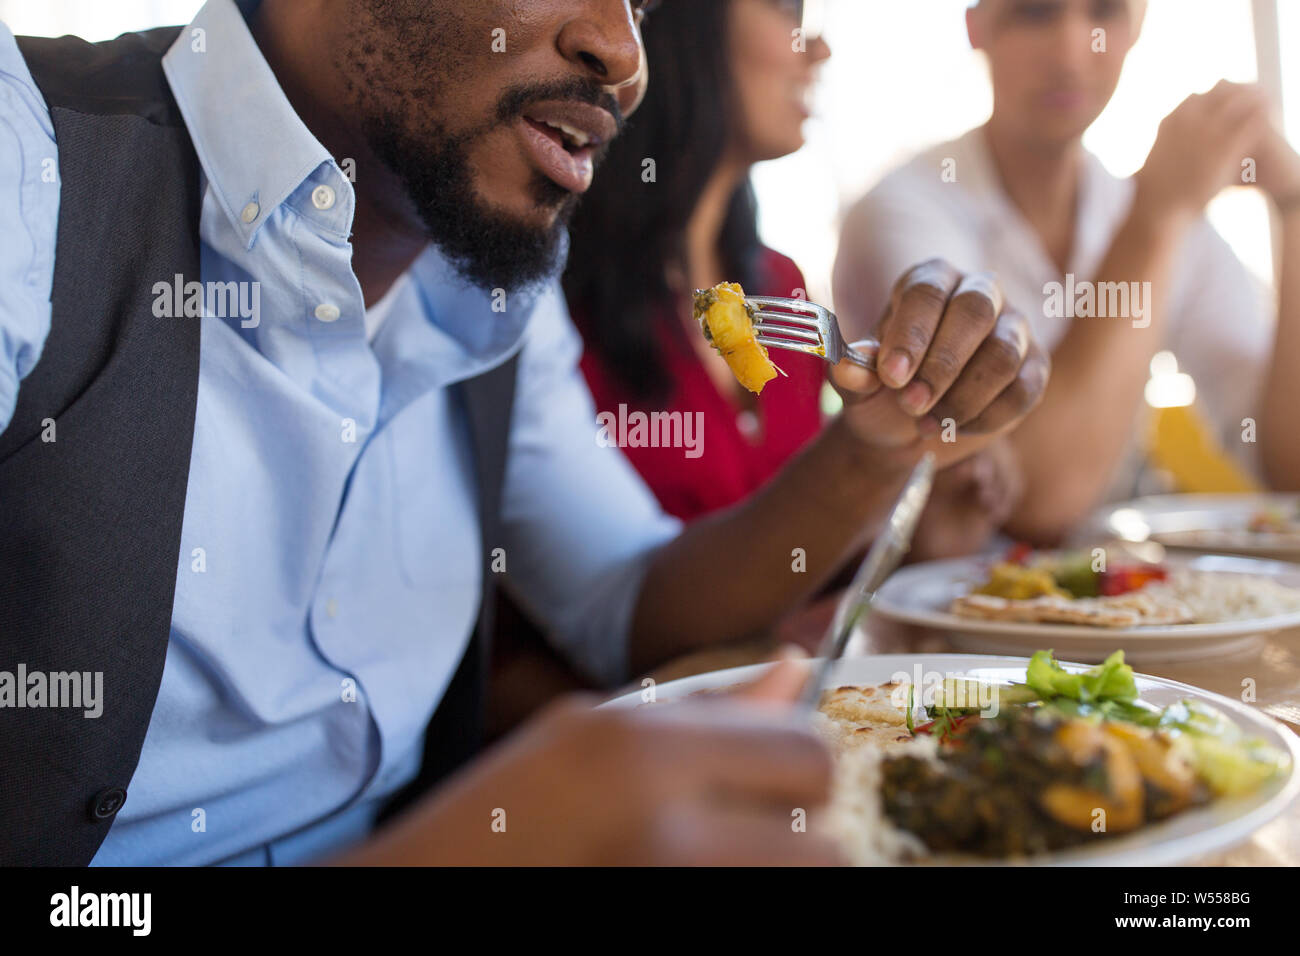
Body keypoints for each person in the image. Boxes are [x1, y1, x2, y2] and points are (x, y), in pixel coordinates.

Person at [0, 0, 1047, 866]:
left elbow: (624, 600)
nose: (624, 54)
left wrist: (871, 447)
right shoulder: (26, 164)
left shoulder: (490, 292)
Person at [566, 0, 1023, 557]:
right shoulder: (554, 287)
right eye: (788, 10)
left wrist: (926, 532)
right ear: (680, 21)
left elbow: (791, 566)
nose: (820, 48)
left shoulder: (781, 284)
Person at [834, 0, 1300, 545]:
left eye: (1104, 13)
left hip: (1126, 606)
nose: (1072, 55)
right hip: (945, 614)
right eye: (1035, 14)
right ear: (976, 26)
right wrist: (1155, 216)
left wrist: (1293, 203)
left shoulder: (1163, 213)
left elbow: (1289, 467)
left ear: (1137, 27)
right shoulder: (906, 209)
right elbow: (1039, 499)